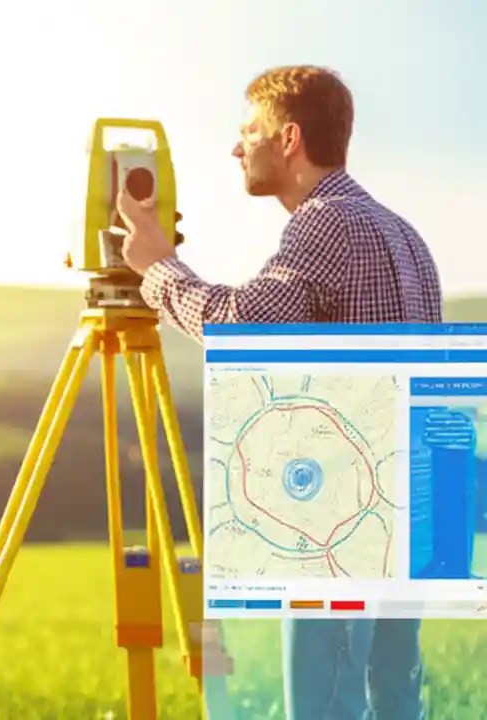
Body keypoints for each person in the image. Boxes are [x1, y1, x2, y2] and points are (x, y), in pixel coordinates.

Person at [115, 65, 441, 718]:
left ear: (289, 138)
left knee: (325, 703)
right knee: (395, 695)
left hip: (343, 520)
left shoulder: (326, 225)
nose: (238, 148)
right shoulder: (405, 234)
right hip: (411, 506)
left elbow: (240, 326)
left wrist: (157, 268)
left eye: (249, 131)